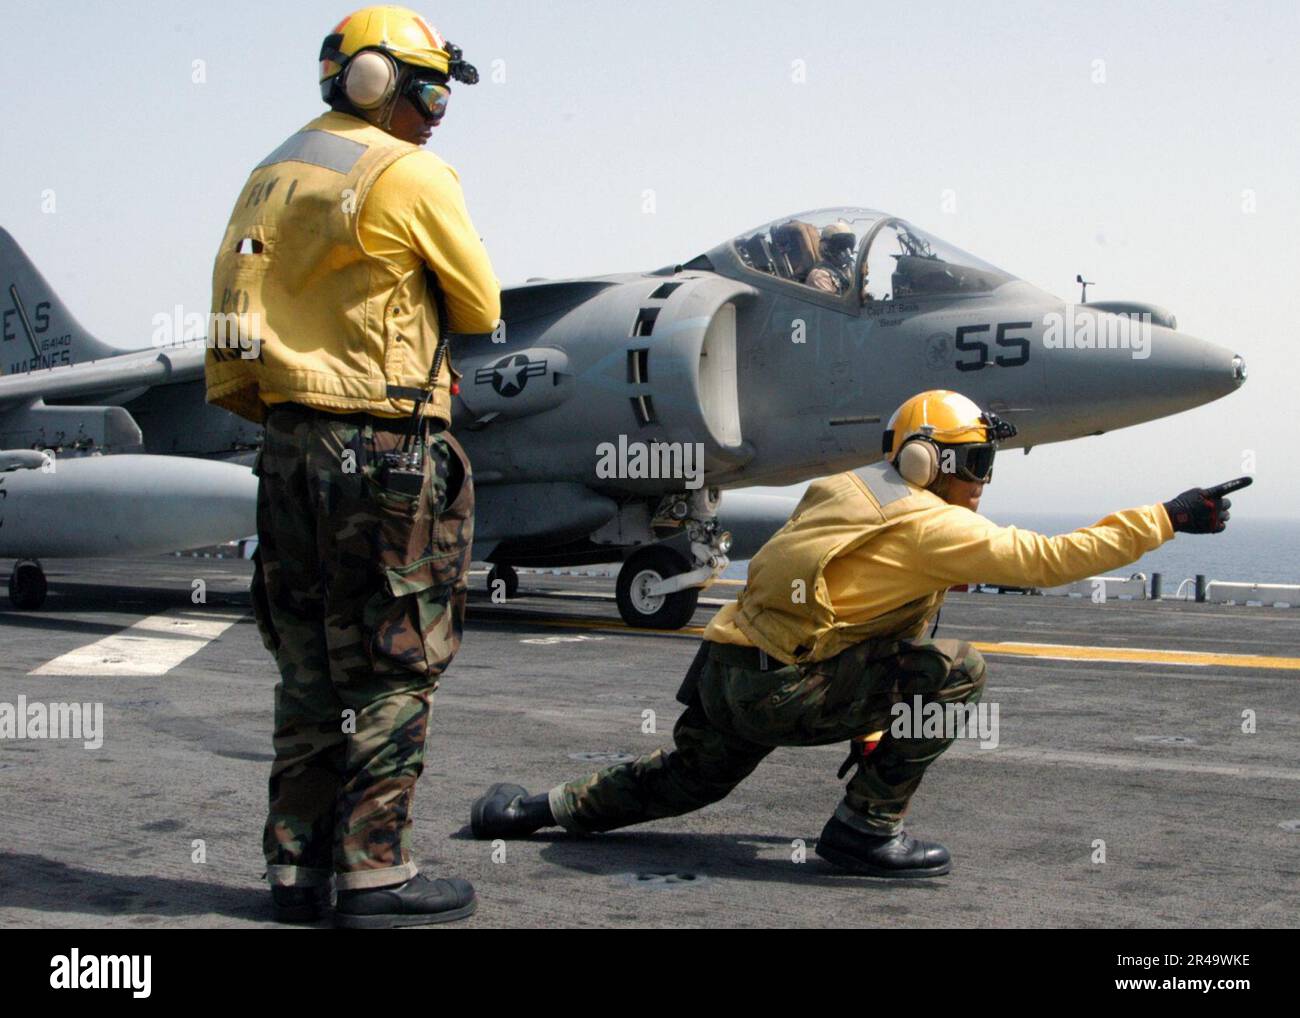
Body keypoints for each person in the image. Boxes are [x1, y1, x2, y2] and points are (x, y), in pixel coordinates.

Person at [468, 390, 1248, 877]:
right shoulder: (930, 524)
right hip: (786, 688)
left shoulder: (843, 489)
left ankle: (535, 809)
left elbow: (856, 606)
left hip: (729, 670)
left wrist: (873, 721)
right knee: (959, 670)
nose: (982, 479)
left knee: (687, 780)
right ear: (924, 461)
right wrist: (1169, 517)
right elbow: (1049, 560)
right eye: (974, 461)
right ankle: (864, 832)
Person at [205, 5, 500, 927]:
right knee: (392, 661)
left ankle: (296, 875)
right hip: (380, 445)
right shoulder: (405, 172)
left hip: (289, 448)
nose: (439, 113)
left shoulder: (270, 173)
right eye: (433, 91)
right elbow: (480, 304)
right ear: (379, 82)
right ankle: (378, 875)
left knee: (305, 666)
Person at [805, 221, 856, 294]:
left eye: (848, 245)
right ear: (825, 247)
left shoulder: (848, 272)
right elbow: (830, 304)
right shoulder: (819, 276)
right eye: (840, 245)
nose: (846, 250)